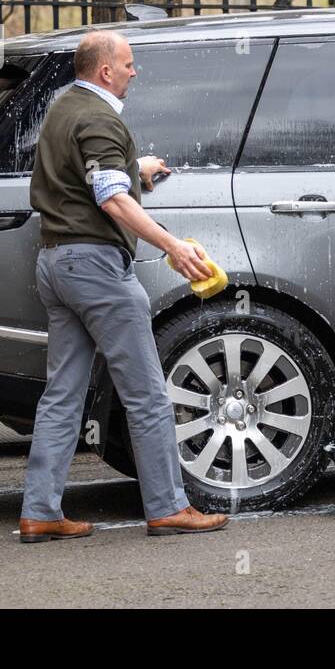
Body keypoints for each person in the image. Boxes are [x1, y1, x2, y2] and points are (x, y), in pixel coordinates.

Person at [18, 29, 230, 542]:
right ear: (105, 71)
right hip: (97, 270)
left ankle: (40, 510)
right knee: (148, 395)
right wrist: (173, 247)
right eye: (129, 64)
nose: (135, 72)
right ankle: (168, 507)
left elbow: (88, 177)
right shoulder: (99, 117)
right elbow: (111, 198)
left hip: (56, 264)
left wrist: (139, 169)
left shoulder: (65, 107)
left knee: (62, 395)